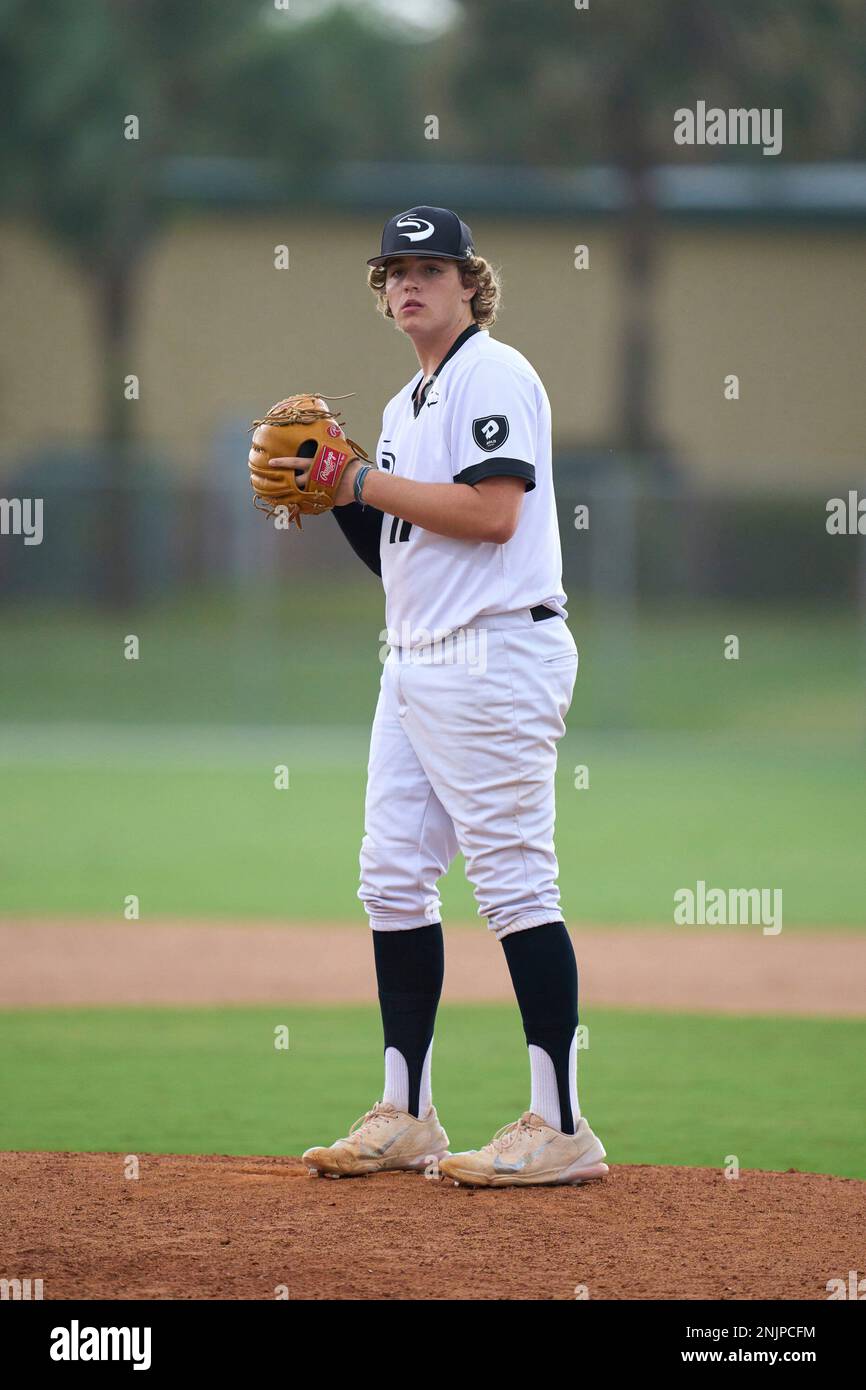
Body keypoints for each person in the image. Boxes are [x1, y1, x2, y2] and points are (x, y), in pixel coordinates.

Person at [289, 206, 608, 1187]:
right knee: (390, 877)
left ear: (471, 282)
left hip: (494, 656)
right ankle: (408, 1111)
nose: (410, 282)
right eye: (394, 269)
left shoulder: (491, 373)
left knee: (513, 882)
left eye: (431, 266)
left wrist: (367, 481)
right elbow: (403, 560)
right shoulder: (406, 402)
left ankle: (559, 1123)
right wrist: (336, 494)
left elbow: (491, 512)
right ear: (381, 292)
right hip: (415, 654)